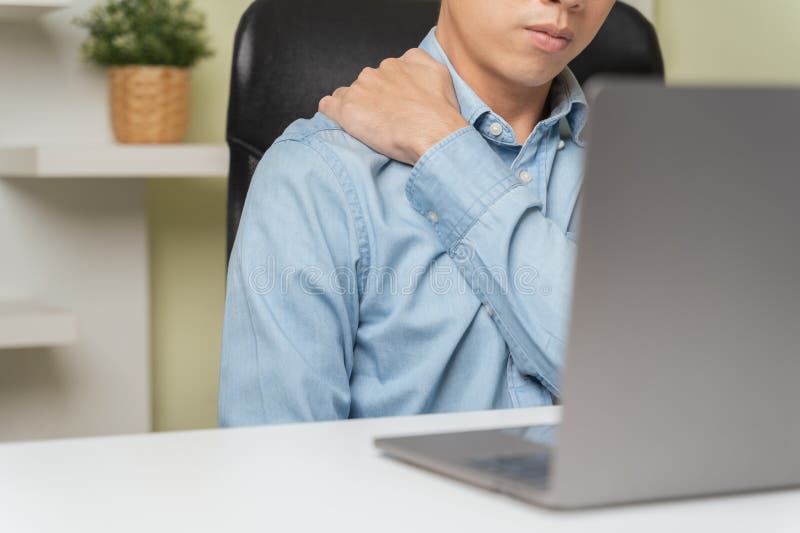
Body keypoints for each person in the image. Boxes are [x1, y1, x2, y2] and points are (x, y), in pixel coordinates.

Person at [219, 0, 616, 426]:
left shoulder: (647, 177)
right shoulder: (313, 177)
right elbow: (276, 475)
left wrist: (443, 147)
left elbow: (651, 393)